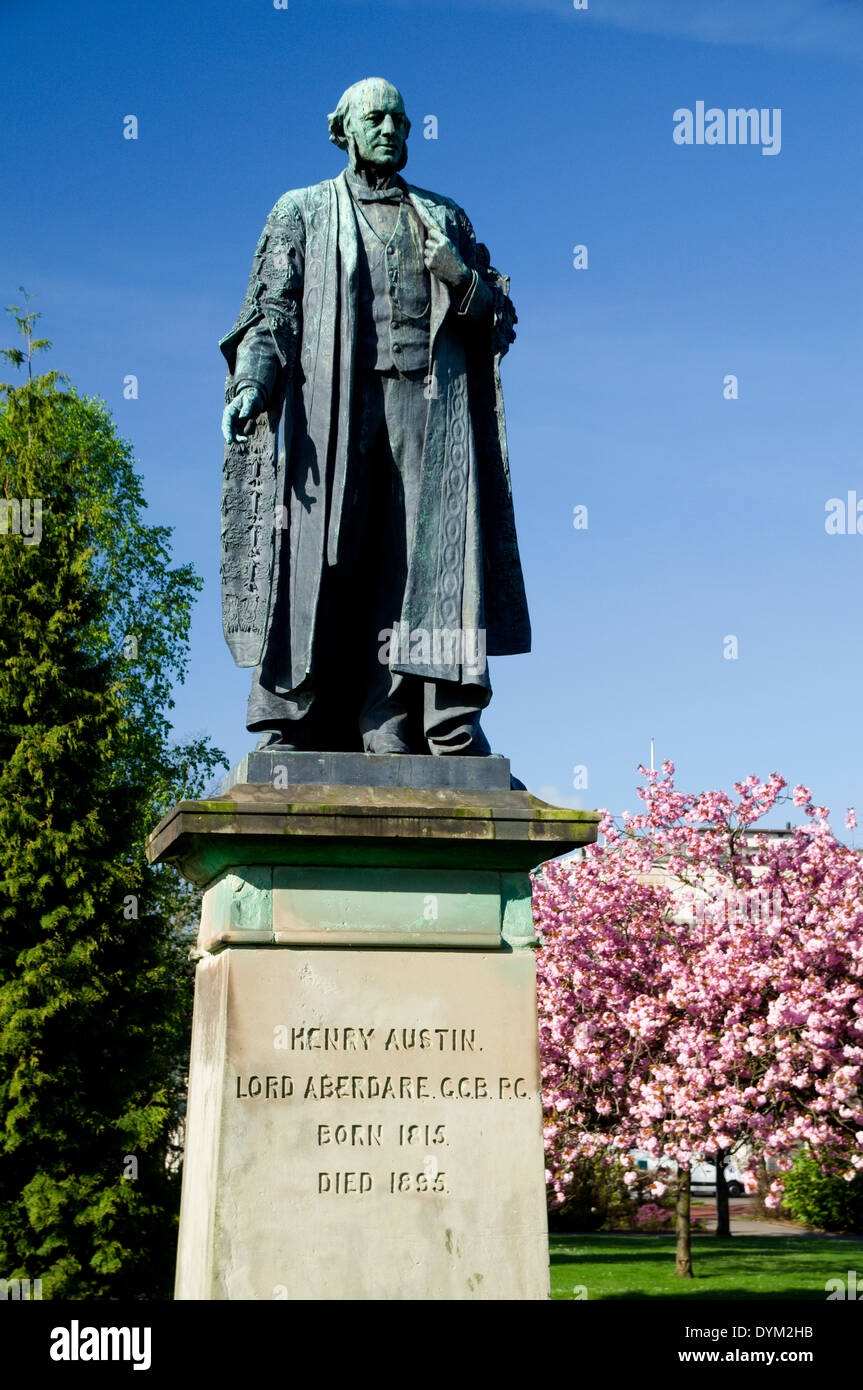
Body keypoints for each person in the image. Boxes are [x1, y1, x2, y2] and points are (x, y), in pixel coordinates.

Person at [220, 77, 530, 755]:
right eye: (375, 118)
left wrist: (460, 278)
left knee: (421, 566)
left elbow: (497, 324)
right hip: (333, 404)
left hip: (429, 409)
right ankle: (299, 717)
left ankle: (394, 720)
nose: (390, 129)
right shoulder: (300, 210)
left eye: (400, 119)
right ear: (344, 130)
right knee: (327, 556)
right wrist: (251, 384)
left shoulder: (444, 217)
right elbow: (270, 315)